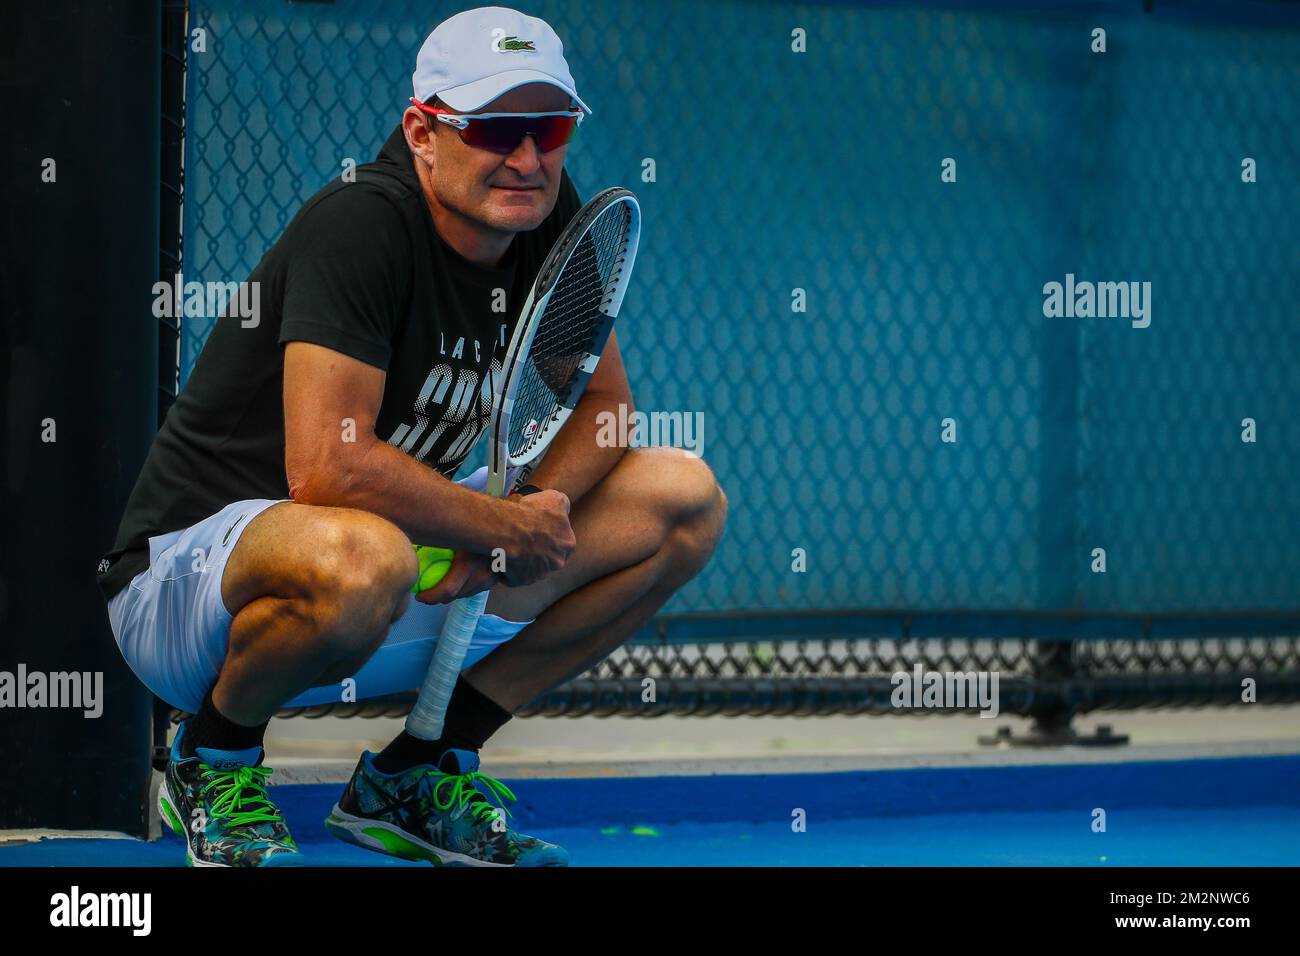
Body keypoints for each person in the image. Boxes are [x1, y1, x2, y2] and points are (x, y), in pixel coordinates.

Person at [98, 5, 726, 867]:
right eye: (496, 127)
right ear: (423, 132)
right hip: (186, 590)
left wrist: (521, 513)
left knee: (682, 498)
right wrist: (495, 528)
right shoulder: (360, 224)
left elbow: (603, 410)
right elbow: (327, 468)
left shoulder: (543, 216)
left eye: (550, 128)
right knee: (366, 555)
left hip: (391, 563)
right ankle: (213, 755)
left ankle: (421, 770)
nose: (527, 157)